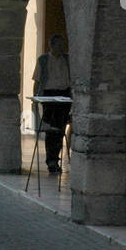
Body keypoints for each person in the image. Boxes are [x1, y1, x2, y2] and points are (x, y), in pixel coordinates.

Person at [33, 34, 71, 174]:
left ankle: (56, 158)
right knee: (50, 129)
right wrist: (36, 98)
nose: (62, 48)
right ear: (52, 45)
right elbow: (37, 80)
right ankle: (51, 161)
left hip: (65, 95)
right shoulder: (43, 60)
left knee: (60, 129)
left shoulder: (67, 59)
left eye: (63, 45)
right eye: (59, 45)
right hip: (49, 95)